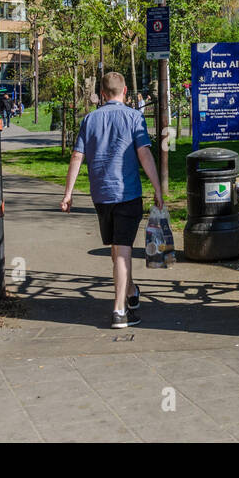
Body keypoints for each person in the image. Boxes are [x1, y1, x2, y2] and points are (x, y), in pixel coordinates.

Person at [60, 71, 164, 329]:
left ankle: (130, 291)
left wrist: (68, 193)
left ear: (102, 94)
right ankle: (119, 310)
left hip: (101, 194)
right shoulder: (134, 117)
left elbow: (77, 156)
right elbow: (144, 154)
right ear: (125, 91)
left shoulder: (89, 120)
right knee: (121, 251)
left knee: (118, 250)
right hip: (128, 193)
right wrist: (158, 188)